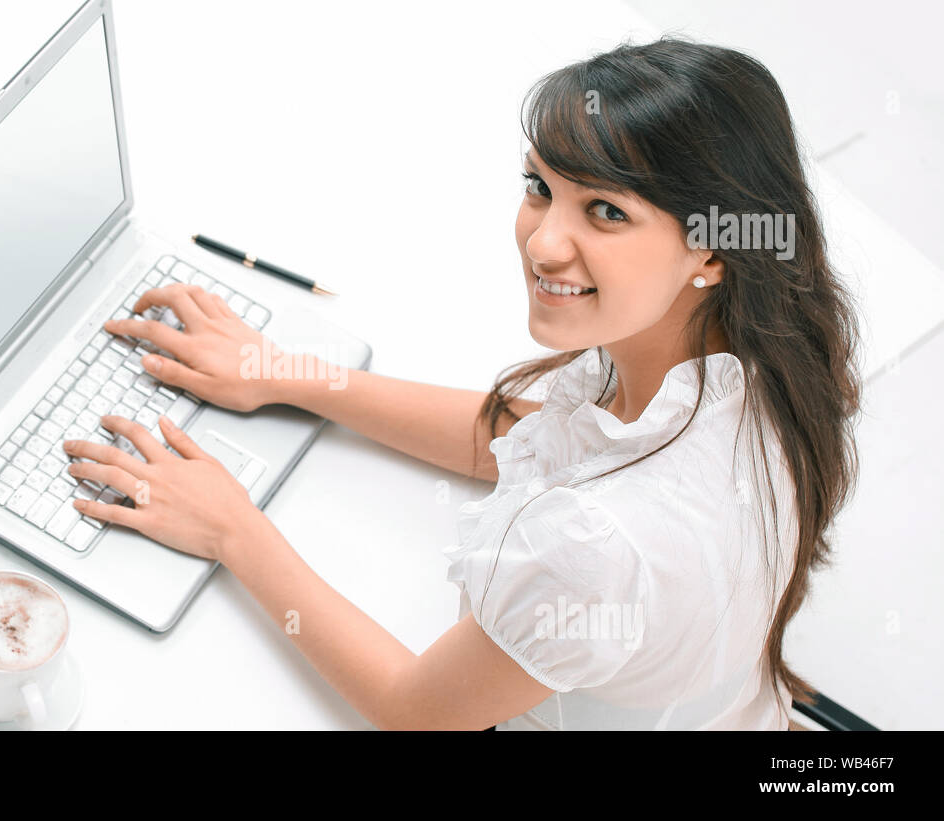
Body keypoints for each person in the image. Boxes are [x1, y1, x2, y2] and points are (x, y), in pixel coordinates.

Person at [60, 35, 860, 730]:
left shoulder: (596, 553)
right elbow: (524, 432)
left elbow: (414, 708)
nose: (545, 242)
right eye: (541, 186)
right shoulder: (752, 358)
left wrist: (231, 526)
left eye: (607, 213)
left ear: (711, 251)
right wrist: (286, 374)